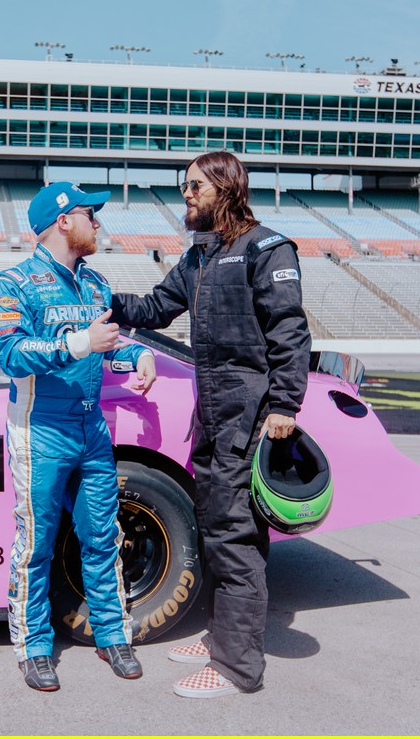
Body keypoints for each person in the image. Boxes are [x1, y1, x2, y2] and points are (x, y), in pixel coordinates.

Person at [109, 151, 311, 698]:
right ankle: (223, 632)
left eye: (195, 186)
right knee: (218, 526)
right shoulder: (199, 255)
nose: (186, 195)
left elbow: (290, 334)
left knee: (234, 535)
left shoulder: (268, 249)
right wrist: (97, 298)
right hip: (212, 413)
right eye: (185, 185)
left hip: (250, 414)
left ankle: (237, 666)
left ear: (225, 188)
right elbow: (153, 308)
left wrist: (284, 408)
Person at [0, 181, 158, 693]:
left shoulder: (96, 284)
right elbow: (10, 355)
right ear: (63, 221)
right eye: (90, 213)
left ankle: (112, 634)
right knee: (35, 546)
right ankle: (33, 647)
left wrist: (136, 355)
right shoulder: (12, 283)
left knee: (102, 538)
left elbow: (107, 347)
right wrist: (80, 342)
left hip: (91, 430)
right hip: (40, 431)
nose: (98, 222)